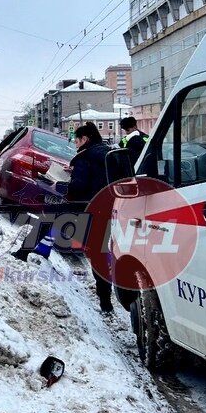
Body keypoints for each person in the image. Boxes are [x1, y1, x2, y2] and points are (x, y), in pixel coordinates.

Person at [67, 122, 115, 312]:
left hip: (90, 209)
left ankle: (105, 301)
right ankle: (106, 298)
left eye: (76, 141)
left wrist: (63, 185)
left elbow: (79, 186)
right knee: (102, 251)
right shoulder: (108, 153)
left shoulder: (84, 158)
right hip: (110, 207)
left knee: (97, 253)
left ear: (85, 139)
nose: (75, 145)